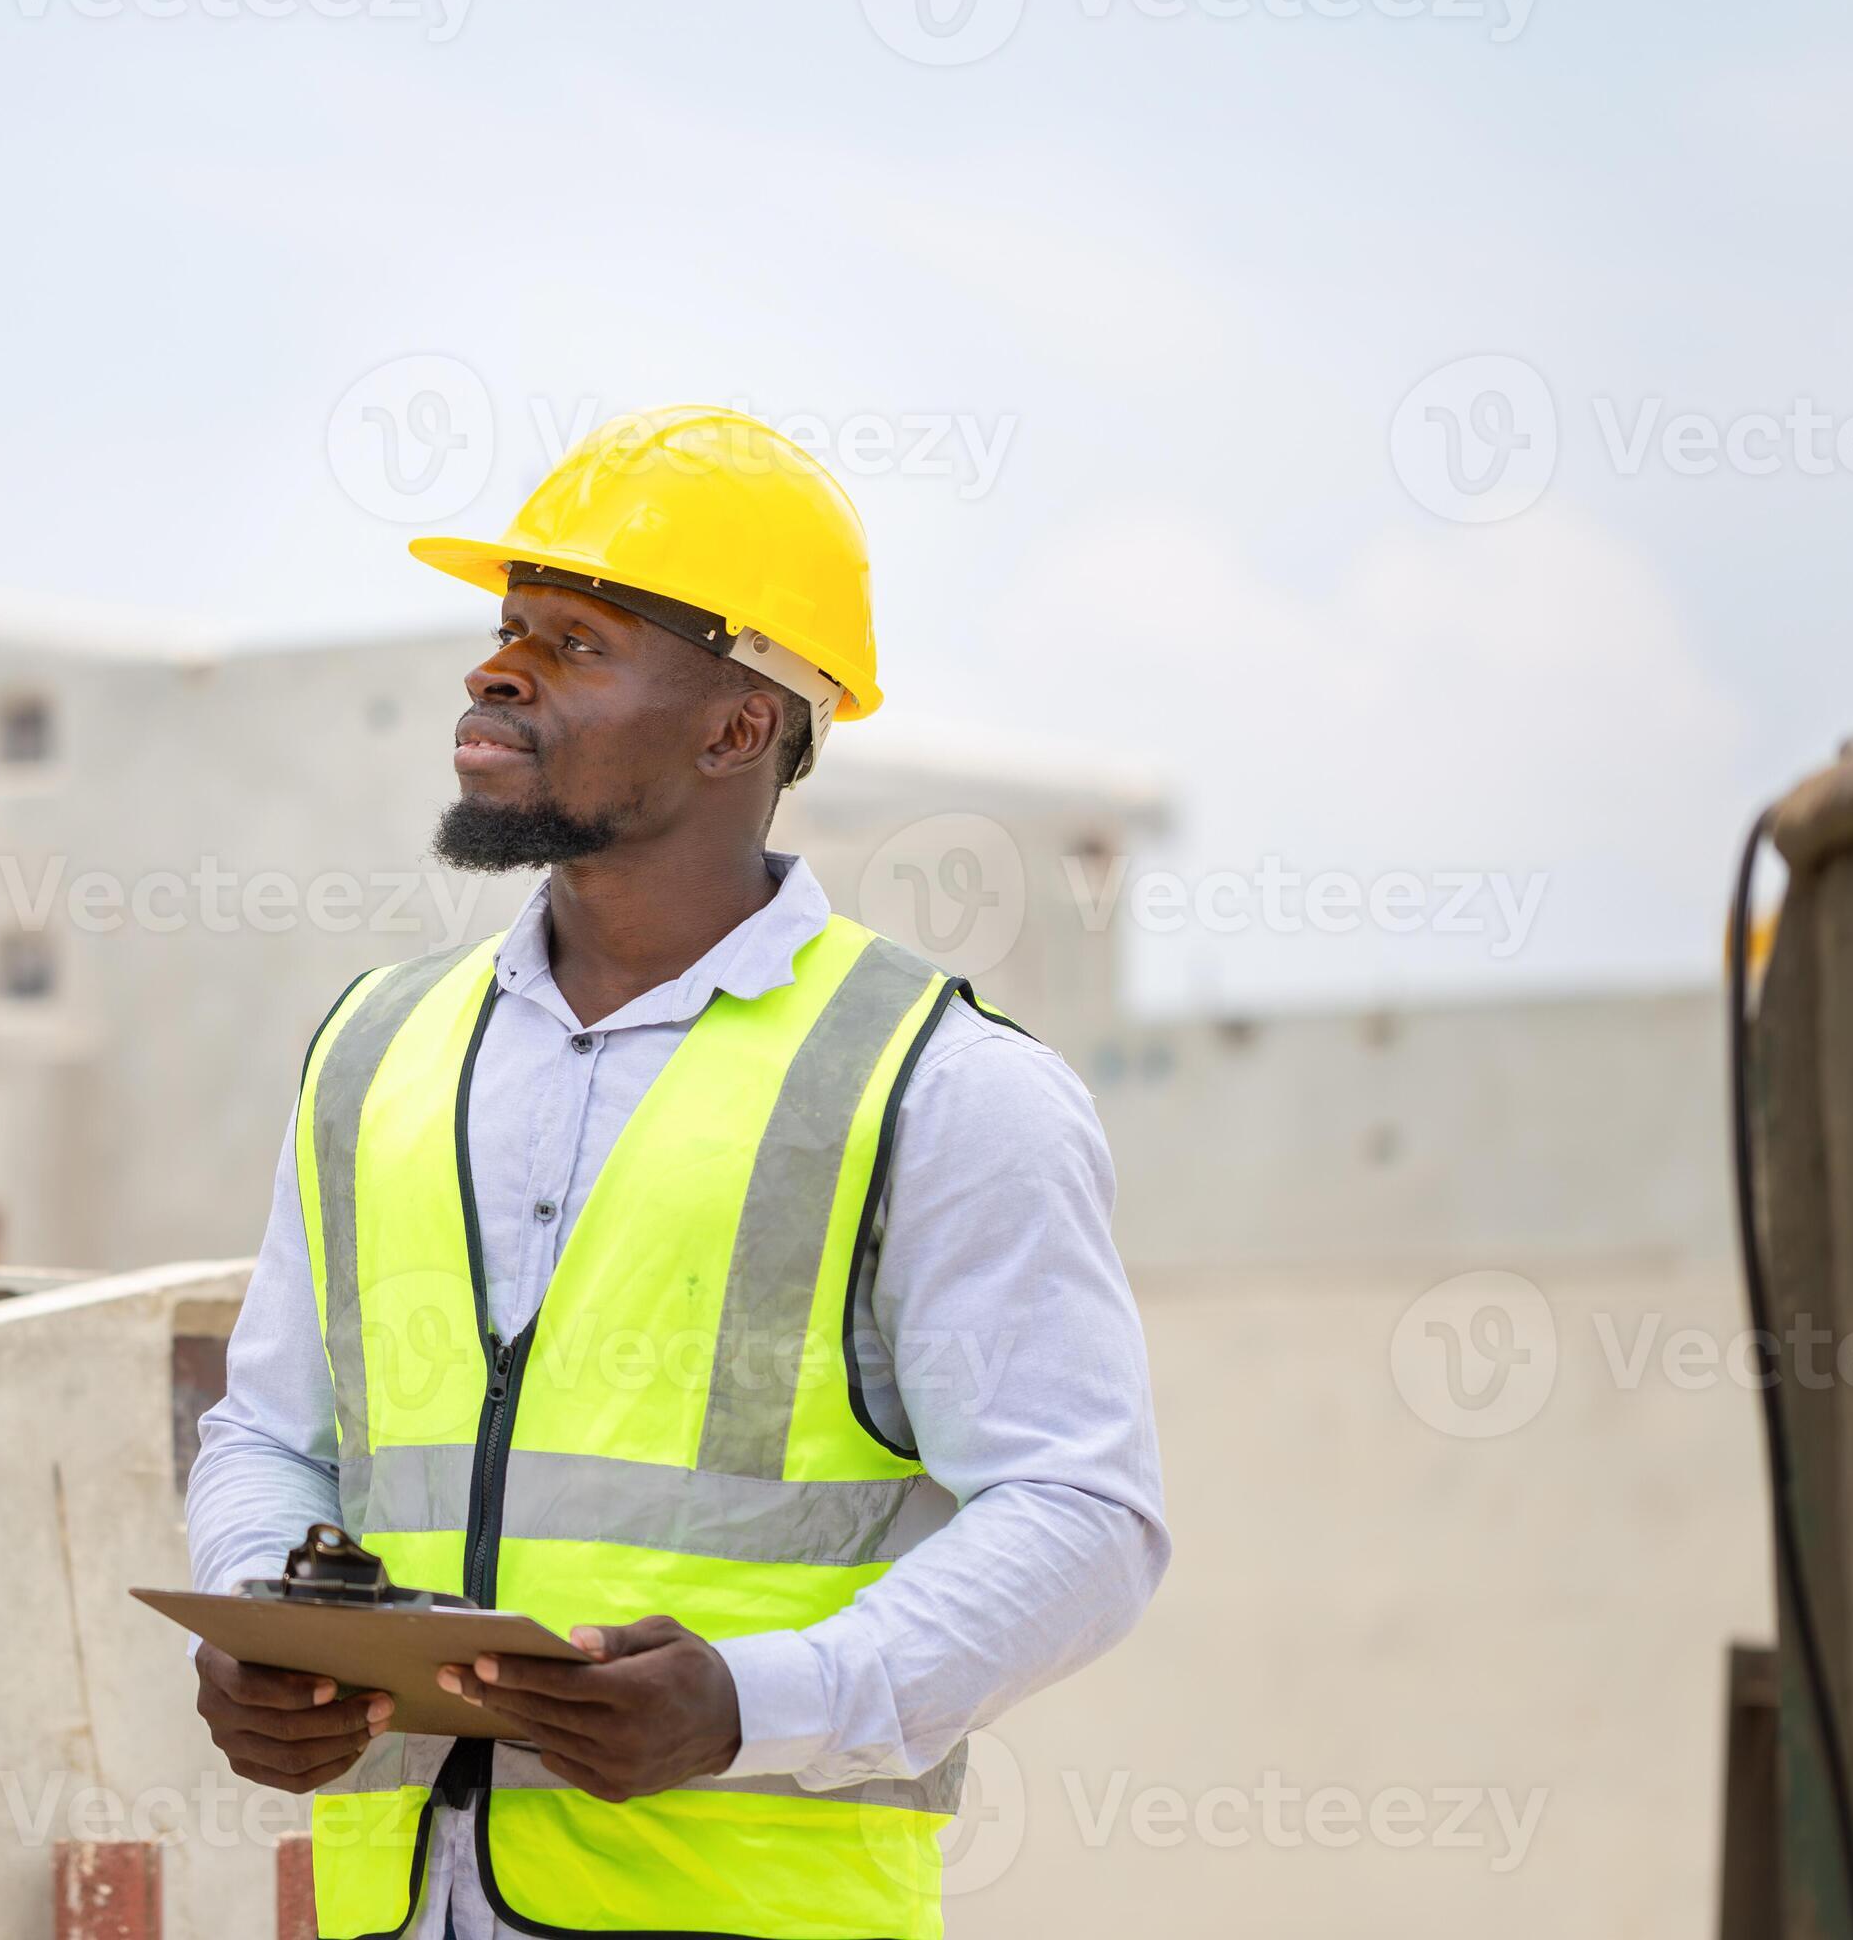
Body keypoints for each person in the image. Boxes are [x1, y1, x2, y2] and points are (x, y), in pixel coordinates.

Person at [185, 405, 1168, 1939]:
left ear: (738, 729)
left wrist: (752, 1704)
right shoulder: (375, 1052)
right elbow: (269, 1431)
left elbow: (1081, 1515)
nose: (495, 669)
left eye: (577, 644)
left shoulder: (940, 1089)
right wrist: (271, 1624)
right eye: (509, 628)